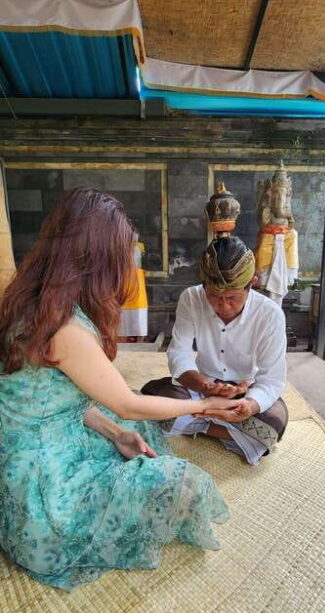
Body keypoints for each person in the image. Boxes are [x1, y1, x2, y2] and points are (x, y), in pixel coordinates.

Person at [0, 188, 239, 591]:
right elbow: (131, 401)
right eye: (125, 258)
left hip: (25, 454)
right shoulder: (66, 328)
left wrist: (117, 433)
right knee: (182, 480)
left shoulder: (28, 302)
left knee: (133, 430)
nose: (129, 268)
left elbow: (54, 402)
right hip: (44, 490)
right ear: (97, 261)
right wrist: (206, 404)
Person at [142, 236, 288, 464]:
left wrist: (248, 405)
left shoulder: (270, 314)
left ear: (252, 283)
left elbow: (272, 379)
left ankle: (197, 425)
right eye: (213, 295)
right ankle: (223, 430)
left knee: (274, 422)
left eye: (232, 297)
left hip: (243, 392)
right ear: (203, 286)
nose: (223, 305)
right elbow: (179, 352)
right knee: (151, 396)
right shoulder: (191, 298)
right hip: (199, 387)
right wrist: (205, 386)